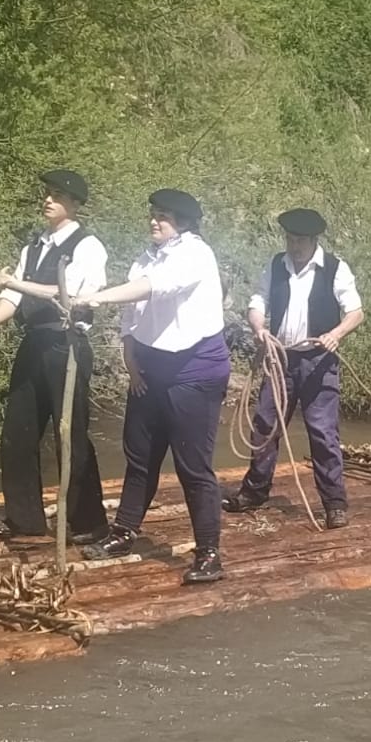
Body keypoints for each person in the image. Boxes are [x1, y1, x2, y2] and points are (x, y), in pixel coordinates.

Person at [75, 190, 230, 586]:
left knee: (192, 466)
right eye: (153, 215)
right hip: (150, 369)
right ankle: (124, 532)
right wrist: (130, 358)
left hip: (194, 370)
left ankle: (209, 553)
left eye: (163, 217)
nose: (154, 221)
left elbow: (152, 288)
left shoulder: (196, 254)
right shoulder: (146, 257)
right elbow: (135, 311)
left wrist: (94, 297)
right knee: (140, 457)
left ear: (183, 223)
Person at [0, 169, 108, 544]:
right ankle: (24, 518)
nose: (48, 200)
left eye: (57, 195)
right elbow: (13, 298)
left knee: (71, 434)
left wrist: (13, 281)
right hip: (34, 344)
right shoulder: (34, 246)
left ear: (75, 205)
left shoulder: (88, 246)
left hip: (67, 346)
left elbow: (67, 294)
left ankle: (87, 521)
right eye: (47, 193)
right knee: (18, 430)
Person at [224, 208, 364, 529]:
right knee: (265, 425)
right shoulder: (277, 265)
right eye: (289, 238)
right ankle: (255, 491)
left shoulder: (335, 269)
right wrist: (259, 327)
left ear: (314, 240)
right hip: (279, 359)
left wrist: (335, 334)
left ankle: (334, 503)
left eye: (299, 239)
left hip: (318, 361)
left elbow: (355, 312)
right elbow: (258, 301)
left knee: (322, 432)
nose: (293, 245)